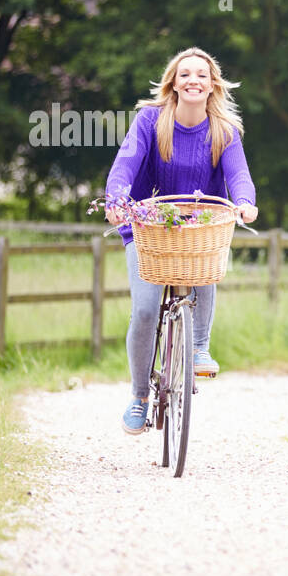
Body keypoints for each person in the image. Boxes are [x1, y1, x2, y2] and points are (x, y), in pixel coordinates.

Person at [103, 47, 258, 434]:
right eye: (185, 74)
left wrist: (245, 203)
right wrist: (117, 201)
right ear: (173, 82)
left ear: (212, 85)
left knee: (206, 254)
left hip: (198, 227)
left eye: (202, 75)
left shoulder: (224, 130)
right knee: (144, 309)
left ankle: (200, 347)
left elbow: (238, 174)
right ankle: (139, 396)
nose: (193, 80)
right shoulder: (150, 121)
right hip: (147, 226)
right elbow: (124, 164)